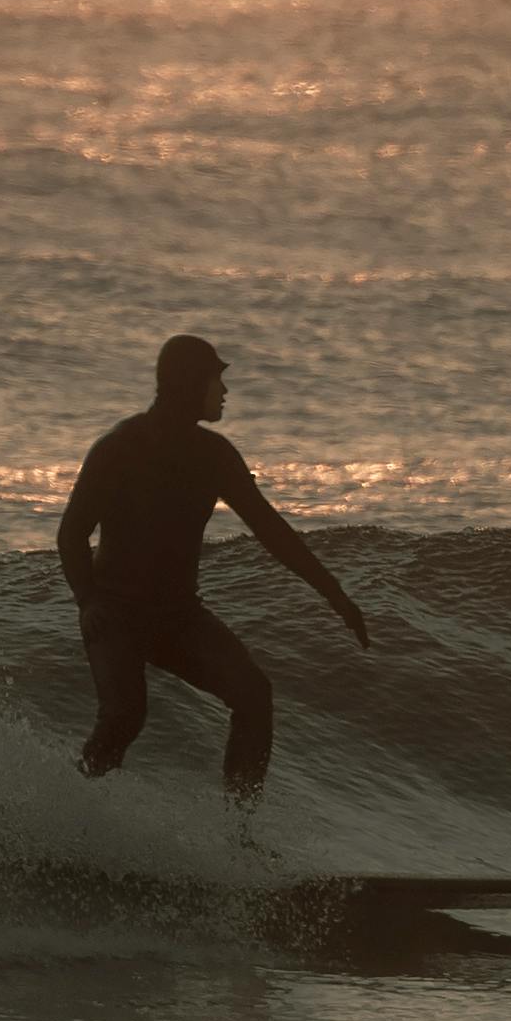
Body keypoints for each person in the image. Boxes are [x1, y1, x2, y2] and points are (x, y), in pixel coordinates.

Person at [57, 333, 374, 802]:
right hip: (116, 613)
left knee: (254, 696)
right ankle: (71, 809)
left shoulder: (214, 456)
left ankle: (238, 839)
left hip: (178, 616)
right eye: (215, 380)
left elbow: (271, 531)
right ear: (190, 384)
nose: (224, 391)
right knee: (125, 715)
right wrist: (88, 602)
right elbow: (71, 534)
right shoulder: (119, 447)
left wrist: (336, 595)